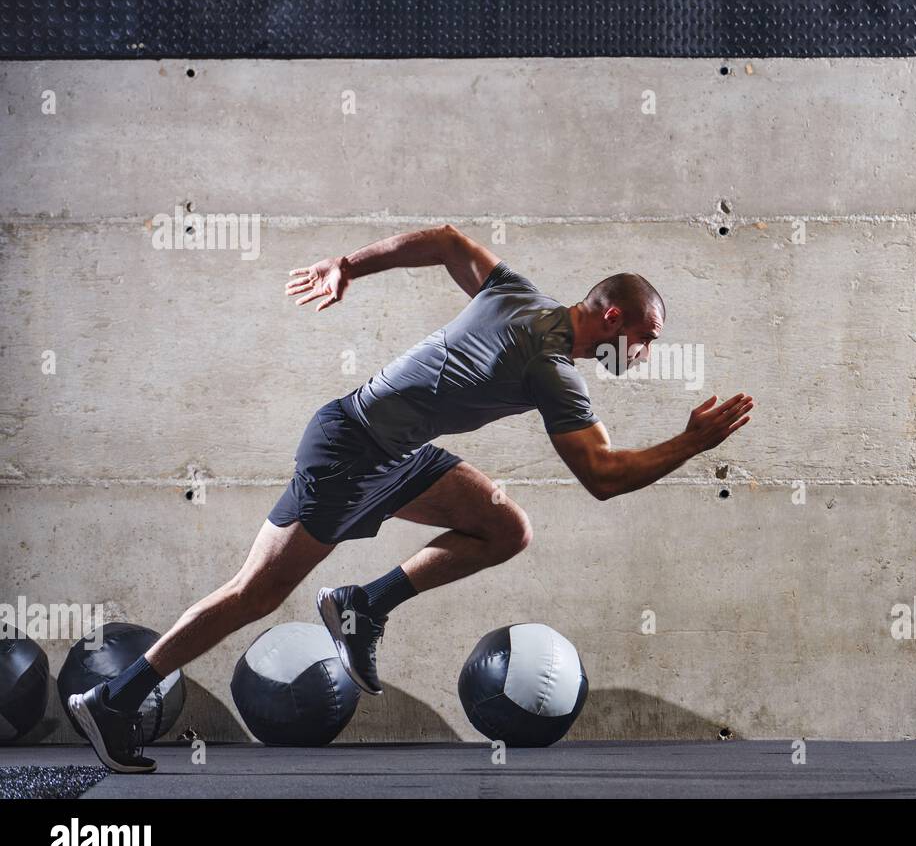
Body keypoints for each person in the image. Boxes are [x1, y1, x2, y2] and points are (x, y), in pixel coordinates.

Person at [68, 225, 755, 772]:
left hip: (393, 451)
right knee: (254, 593)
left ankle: (362, 604)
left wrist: (347, 264)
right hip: (348, 451)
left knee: (504, 527)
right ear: (613, 316)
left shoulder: (517, 292)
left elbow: (448, 241)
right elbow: (603, 476)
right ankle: (114, 699)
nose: (643, 354)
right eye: (645, 340)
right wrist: (690, 444)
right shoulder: (551, 369)